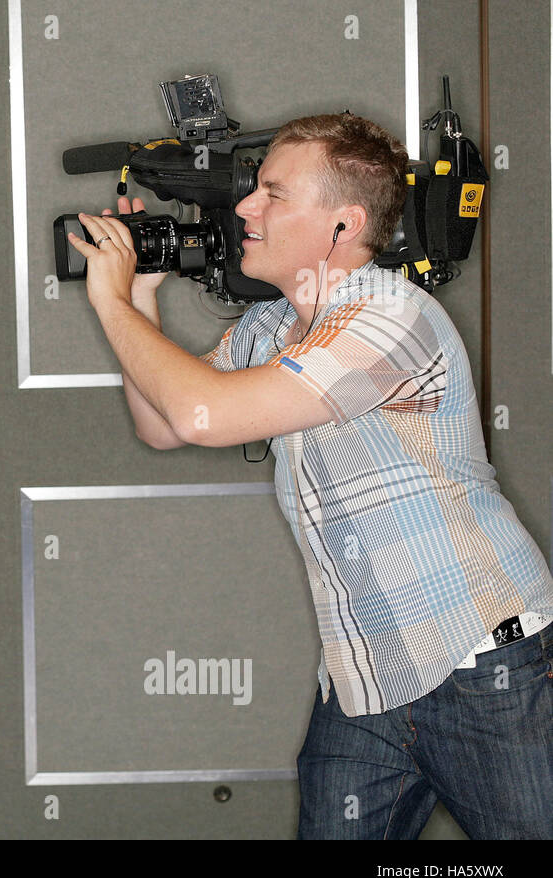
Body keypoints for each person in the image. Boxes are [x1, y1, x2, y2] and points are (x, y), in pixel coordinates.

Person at [68, 113, 553, 839]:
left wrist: (106, 301)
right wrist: (138, 300)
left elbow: (200, 413)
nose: (243, 209)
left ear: (342, 225)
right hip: (364, 672)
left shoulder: (390, 318)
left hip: (480, 661)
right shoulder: (273, 329)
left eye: (274, 194)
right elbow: (164, 424)